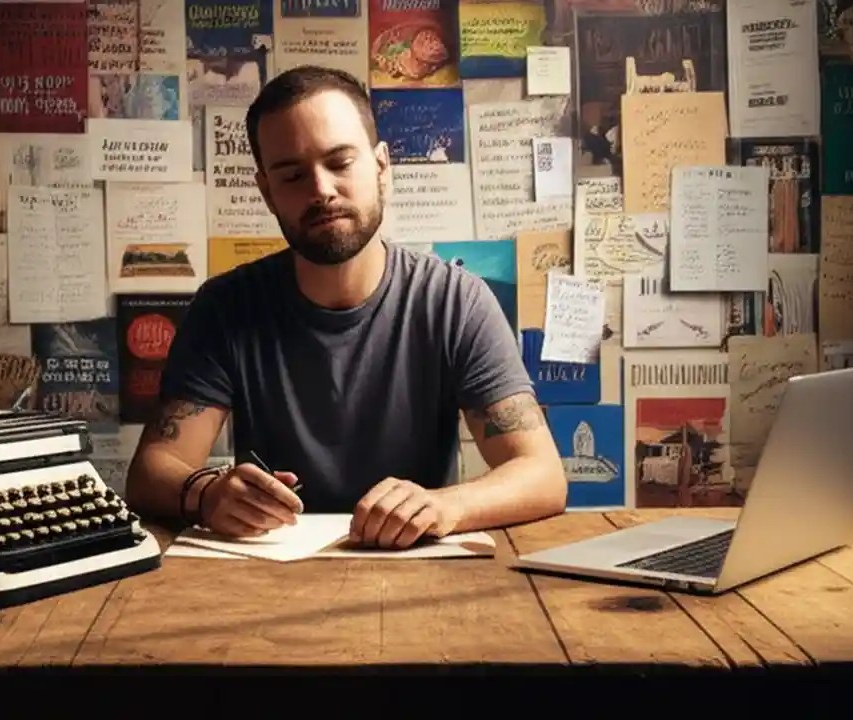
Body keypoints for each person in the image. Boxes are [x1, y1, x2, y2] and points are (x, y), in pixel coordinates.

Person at [125, 65, 568, 549]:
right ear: (267, 192)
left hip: (420, 577)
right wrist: (205, 492)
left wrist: (445, 506)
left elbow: (542, 475)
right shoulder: (226, 306)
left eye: (340, 162)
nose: (320, 189)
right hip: (267, 577)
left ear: (381, 168)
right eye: (292, 174)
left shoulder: (456, 302)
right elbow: (152, 471)